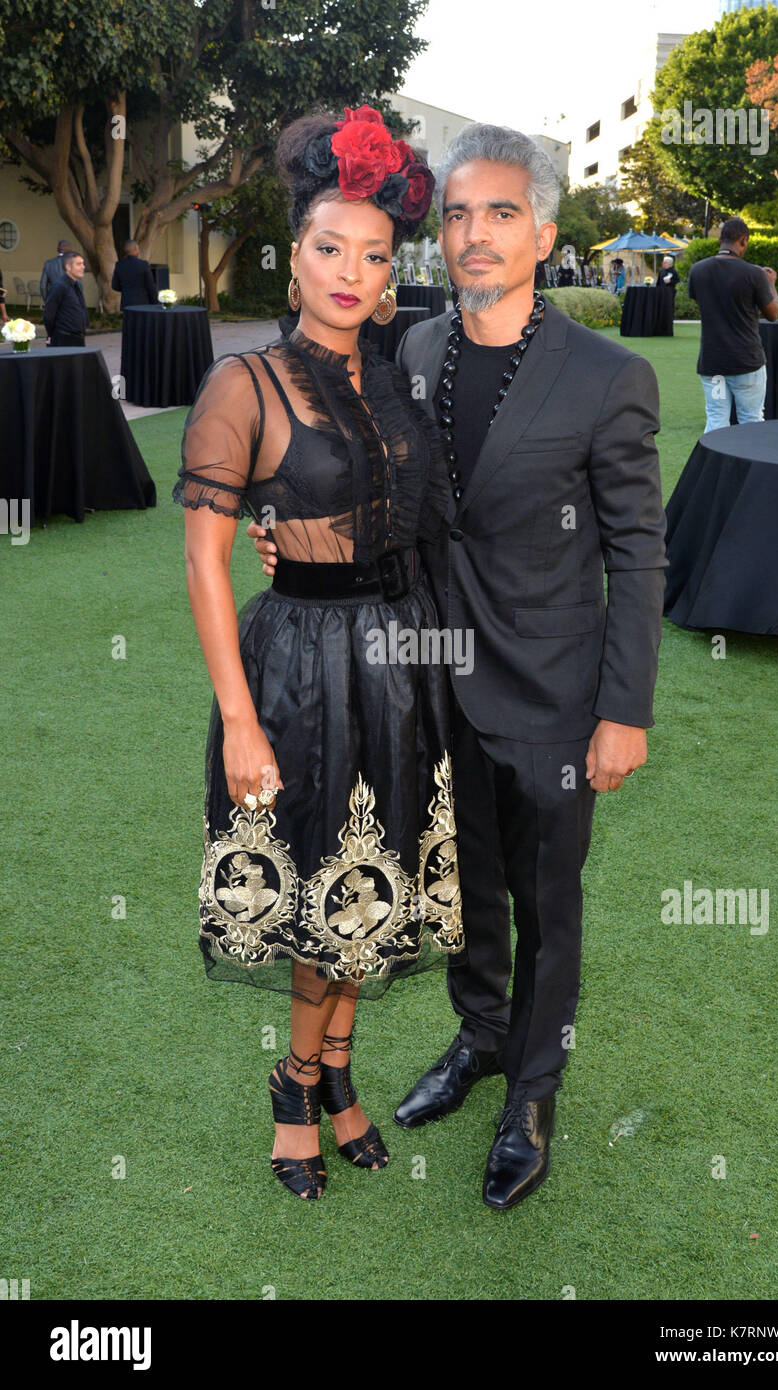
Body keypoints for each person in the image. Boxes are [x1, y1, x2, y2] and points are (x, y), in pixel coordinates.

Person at [252, 122, 667, 1211]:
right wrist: (289, 530)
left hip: (556, 699)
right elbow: (385, 493)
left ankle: (533, 1089)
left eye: (498, 213)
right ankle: (481, 1036)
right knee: (467, 893)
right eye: (456, 215)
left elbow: (637, 549)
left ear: (543, 227)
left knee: (546, 903)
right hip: (434, 684)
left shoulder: (609, 377)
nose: (473, 236)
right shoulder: (421, 352)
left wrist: (624, 709)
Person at [173, 105, 461, 1203]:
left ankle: (339, 1069)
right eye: (330, 248)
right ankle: (296, 1083)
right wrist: (240, 719)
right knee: (317, 891)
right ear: (292, 256)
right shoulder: (241, 387)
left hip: (397, 662)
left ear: (394, 271)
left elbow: (406, 514)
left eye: (374, 255)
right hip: (298, 664)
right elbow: (205, 562)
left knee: (372, 885)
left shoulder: (391, 378)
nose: (352, 272)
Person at [687, 216, 778, 432]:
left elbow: (714, 303)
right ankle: (751, 467)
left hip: (712, 361)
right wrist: (771, 284)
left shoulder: (697, 270)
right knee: (751, 420)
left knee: (716, 419)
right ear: (744, 241)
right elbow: (773, 314)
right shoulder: (754, 274)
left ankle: (714, 466)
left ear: (720, 240)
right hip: (746, 361)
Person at [43, 251, 89, 347]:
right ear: (68, 267)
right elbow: (49, 314)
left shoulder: (77, 284)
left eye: (83, 263)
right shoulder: (59, 286)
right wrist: (50, 335)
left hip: (78, 338)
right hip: (64, 340)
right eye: (79, 264)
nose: (83, 267)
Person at [111, 240, 157, 308]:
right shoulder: (143, 264)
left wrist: (126, 289)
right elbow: (150, 286)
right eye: (138, 249)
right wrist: (155, 302)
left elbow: (115, 286)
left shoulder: (119, 265)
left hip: (126, 304)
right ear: (135, 249)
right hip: (142, 304)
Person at [40, 239, 73, 305]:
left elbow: (43, 286)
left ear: (58, 249)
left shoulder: (48, 264)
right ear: (69, 249)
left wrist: (47, 301)